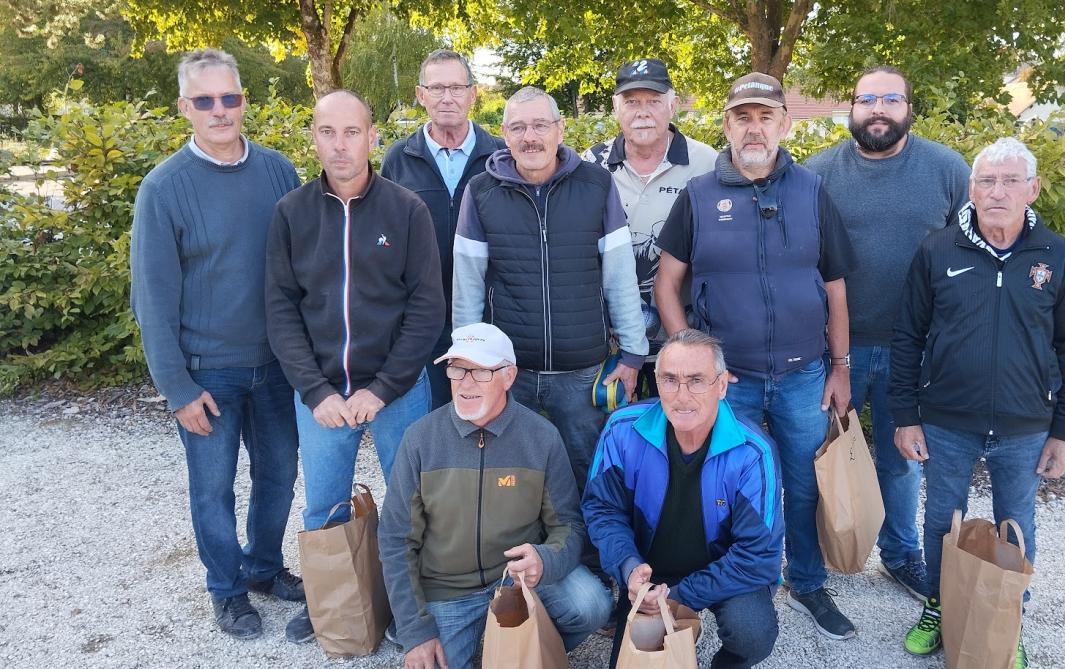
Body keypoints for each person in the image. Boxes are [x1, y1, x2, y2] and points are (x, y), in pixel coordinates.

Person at [654, 72, 859, 640]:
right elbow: (666, 284)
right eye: (742, 117)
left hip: (803, 377)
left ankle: (810, 583)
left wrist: (841, 367)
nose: (754, 127)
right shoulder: (699, 195)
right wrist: (691, 360)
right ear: (726, 125)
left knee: (803, 482)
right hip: (730, 383)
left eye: (765, 117)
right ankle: (743, 586)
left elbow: (836, 286)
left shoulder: (812, 190)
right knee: (733, 486)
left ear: (784, 124)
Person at [890, 137, 1065, 669]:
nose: (996, 192)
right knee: (941, 521)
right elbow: (908, 337)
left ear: (1032, 188)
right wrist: (906, 415)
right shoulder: (938, 250)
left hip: (1026, 425)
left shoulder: (1058, 256)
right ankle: (938, 605)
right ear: (970, 187)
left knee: (1016, 523)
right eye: (986, 181)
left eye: (1009, 181)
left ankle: (1007, 617)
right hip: (947, 420)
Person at [130, 48, 304, 640]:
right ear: (185, 107)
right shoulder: (164, 188)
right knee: (212, 490)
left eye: (229, 97)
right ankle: (227, 590)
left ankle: (261, 566)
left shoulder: (280, 171)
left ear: (243, 101)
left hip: (279, 364)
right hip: (209, 373)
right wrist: (178, 387)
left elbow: (308, 265)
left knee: (280, 475)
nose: (219, 110)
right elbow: (152, 299)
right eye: (205, 100)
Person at [265, 89, 445, 643]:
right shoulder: (291, 213)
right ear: (313, 138)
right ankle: (331, 599)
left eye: (351, 133)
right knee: (323, 503)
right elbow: (280, 309)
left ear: (372, 137)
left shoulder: (406, 209)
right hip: (321, 392)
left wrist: (386, 387)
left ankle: (409, 605)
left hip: (397, 389)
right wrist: (316, 391)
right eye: (327, 133)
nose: (340, 146)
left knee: (411, 501)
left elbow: (426, 307)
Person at [804, 65, 970, 601]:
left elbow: (967, 256)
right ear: (851, 107)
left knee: (901, 461)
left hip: (913, 348)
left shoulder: (946, 169)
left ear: (908, 108)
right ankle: (814, 558)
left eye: (891, 99)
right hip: (833, 346)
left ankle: (901, 556)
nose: (879, 109)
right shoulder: (818, 173)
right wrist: (838, 358)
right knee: (819, 455)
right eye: (867, 99)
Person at [379, 323, 613, 669]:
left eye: (481, 372)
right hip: (447, 588)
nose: (465, 383)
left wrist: (544, 560)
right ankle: (500, 648)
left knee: (591, 604)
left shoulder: (542, 437)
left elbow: (569, 525)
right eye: (456, 369)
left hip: (517, 581)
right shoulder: (420, 439)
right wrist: (415, 631)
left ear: (509, 375)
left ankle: (522, 649)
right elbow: (396, 539)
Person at [452, 85, 648, 496]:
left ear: (560, 130)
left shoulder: (596, 185)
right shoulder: (481, 191)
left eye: (541, 125)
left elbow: (618, 275)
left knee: (589, 474)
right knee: (511, 478)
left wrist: (632, 354)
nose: (531, 137)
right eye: (519, 127)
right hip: (509, 371)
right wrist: (468, 362)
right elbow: (467, 284)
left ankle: (592, 558)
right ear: (504, 135)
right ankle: (523, 557)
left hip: (582, 373)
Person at [583, 329, 782, 668]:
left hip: (722, 571)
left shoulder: (753, 452)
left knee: (753, 633)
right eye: (670, 380)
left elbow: (757, 558)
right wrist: (629, 568)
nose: (682, 394)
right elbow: (602, 509)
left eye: (697, 380)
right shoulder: (622, 429)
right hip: (646, 569)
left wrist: (678, 596)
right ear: (657, 382)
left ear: (721, 385)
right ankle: (638, 606)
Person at [582, 58, 717, 395]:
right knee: (613, 435)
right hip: (608, 341)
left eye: (653, 101)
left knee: (678, 433)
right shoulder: (591, 165)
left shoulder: (707, 164)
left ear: (672, 106)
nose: (642, 111)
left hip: (682, 334)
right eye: (631, 102)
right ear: (616, 108)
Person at [380, 50, 505, 410]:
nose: (447, 97)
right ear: (421, 95)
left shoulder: (498, 157)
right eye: (437, 88)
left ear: (473, 93)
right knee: (430, 419)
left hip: (488, 317)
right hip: (420, 320)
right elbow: (384, 237)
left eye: (456, 87)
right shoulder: (400, 157)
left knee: (485, 414)